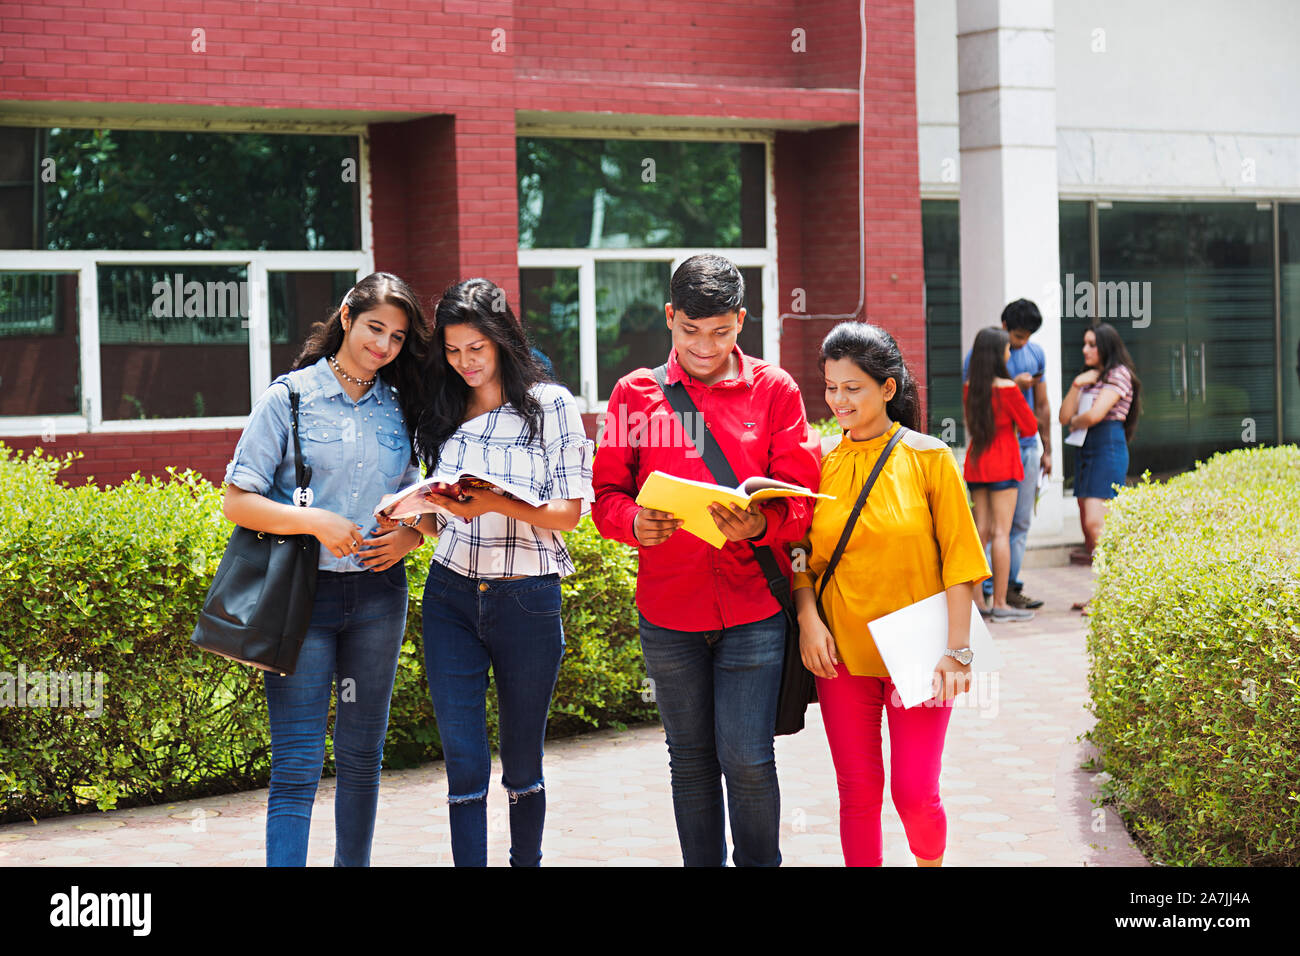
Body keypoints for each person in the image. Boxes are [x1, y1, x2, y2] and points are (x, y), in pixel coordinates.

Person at [591, 253, 820, 867]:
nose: (704, 345)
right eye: (691, 330)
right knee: (689, 757)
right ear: (670, 317)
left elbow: (803, 501)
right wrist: (634, 521)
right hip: (670, 613)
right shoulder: (634, 395)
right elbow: (605, 497)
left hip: (752, 609)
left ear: (741, 321)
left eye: (720, 332)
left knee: (747, 756)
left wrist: (761, 522)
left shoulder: (775, 390)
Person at [221, 271, 432, 866]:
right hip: (301, 599)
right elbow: (238, 499)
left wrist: (411, 537)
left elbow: (431, 500)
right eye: (374, 328)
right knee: (297, 763)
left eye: (396, 336)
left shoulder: (403, 408)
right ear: (346, 317)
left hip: (378, 598)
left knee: (363, 759)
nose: (384, 346)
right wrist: (317, 522)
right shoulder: (288, 398)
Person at [403, 278, 593, 867]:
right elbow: (439, 519)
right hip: (450, 596)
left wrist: (494, 503)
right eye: (454, 351)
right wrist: (417, 512)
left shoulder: (551, 406)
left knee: (522, 761)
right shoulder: (439, 409)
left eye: (476, 349)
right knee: (463, 763)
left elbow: (569, 515)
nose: (465, 363)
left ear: (503, 340)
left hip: (527, 600)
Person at [793, 322, 990, 867]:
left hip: (920, 654)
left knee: (913, 793)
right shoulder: (818, 462)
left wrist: (958, 649)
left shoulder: (930, 459)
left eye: (852, 388)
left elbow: (961, 563)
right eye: (830, 387)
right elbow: (802, 556)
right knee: (857, 794)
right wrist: (809, 620)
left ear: (887, 388)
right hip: (842, 654)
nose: (838, 400)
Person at [961, 299, 1051, 610]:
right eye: (1007, 349)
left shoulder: (971, 386)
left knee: (979, 533)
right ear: (998, 353)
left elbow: (971, 423)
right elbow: (1029, 427)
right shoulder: (1009, 389)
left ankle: (978, 603)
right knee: (1002, 532)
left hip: (976, 463)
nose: (1010, 353)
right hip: (1004, 462)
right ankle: (1000, 603)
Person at [1058, 322, 1141, 559]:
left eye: (1092, 345)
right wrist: (1076, 384)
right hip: (1085, 449)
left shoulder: (1119, 374)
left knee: (1097, 524)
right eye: (1085, 344)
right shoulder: (1087, 377)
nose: (1085, 350)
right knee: (1087, 528)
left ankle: (1116, 583)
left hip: (1108, 447)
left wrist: (1076, 421)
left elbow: (1095, 415)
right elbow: (1063, 416)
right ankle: (1096, 593)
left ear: (1107, 347)